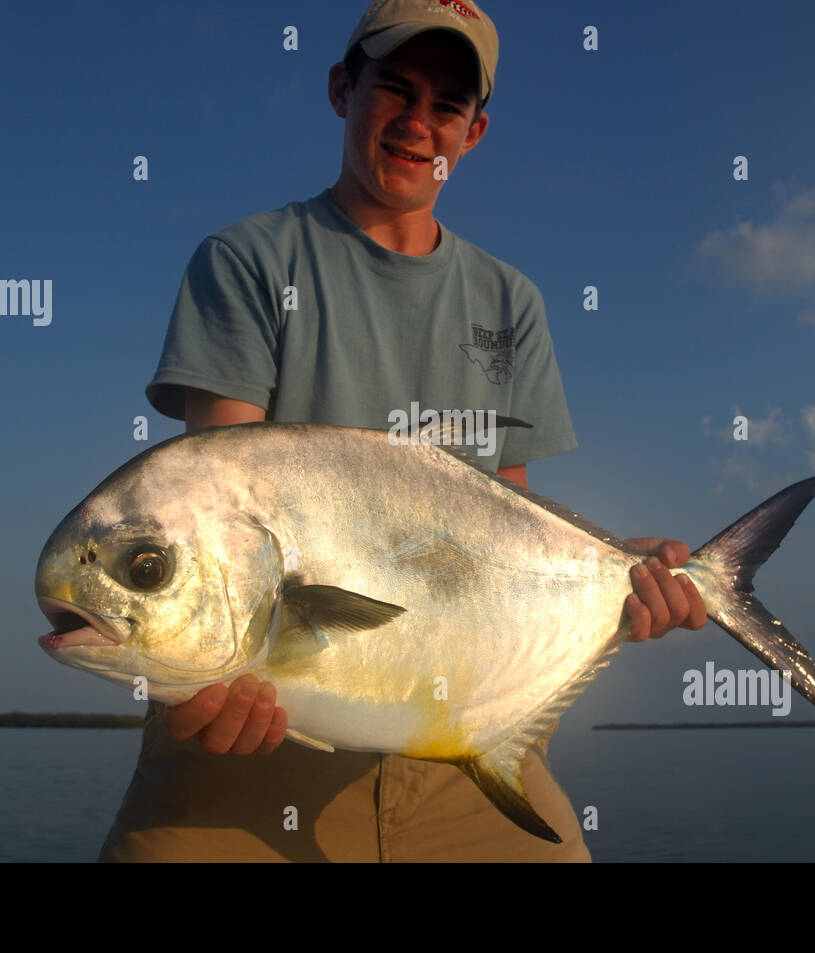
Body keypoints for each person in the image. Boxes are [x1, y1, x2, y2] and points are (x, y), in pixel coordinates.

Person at [99, 0, 705, 863]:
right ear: (344, 88)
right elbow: (212, 500)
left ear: (476, 131)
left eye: (447, 105)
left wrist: (612, 571)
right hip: (258, 738)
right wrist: (216, 669)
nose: (419, 124)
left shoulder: (509, 303)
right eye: (396, 88)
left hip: (462, 742)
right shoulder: (251, 262)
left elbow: (505, 516)